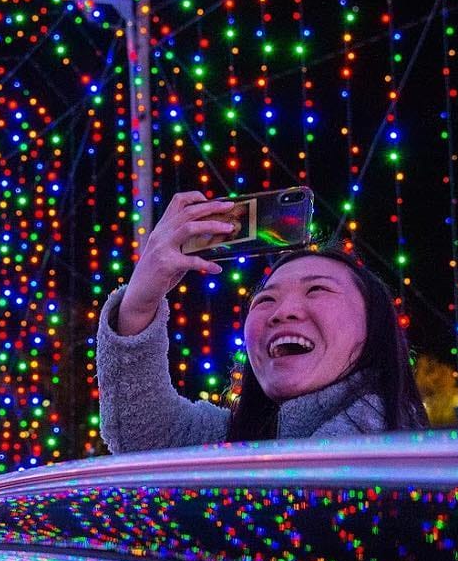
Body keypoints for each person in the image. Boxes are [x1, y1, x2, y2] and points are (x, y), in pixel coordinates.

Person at [97, 191, 429, 452]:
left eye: (317, 290)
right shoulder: (240, 439)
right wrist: (139, 304)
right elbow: (144, 432)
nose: (283, 312)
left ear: (374, 328)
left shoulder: (395, 460)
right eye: (266, 299)